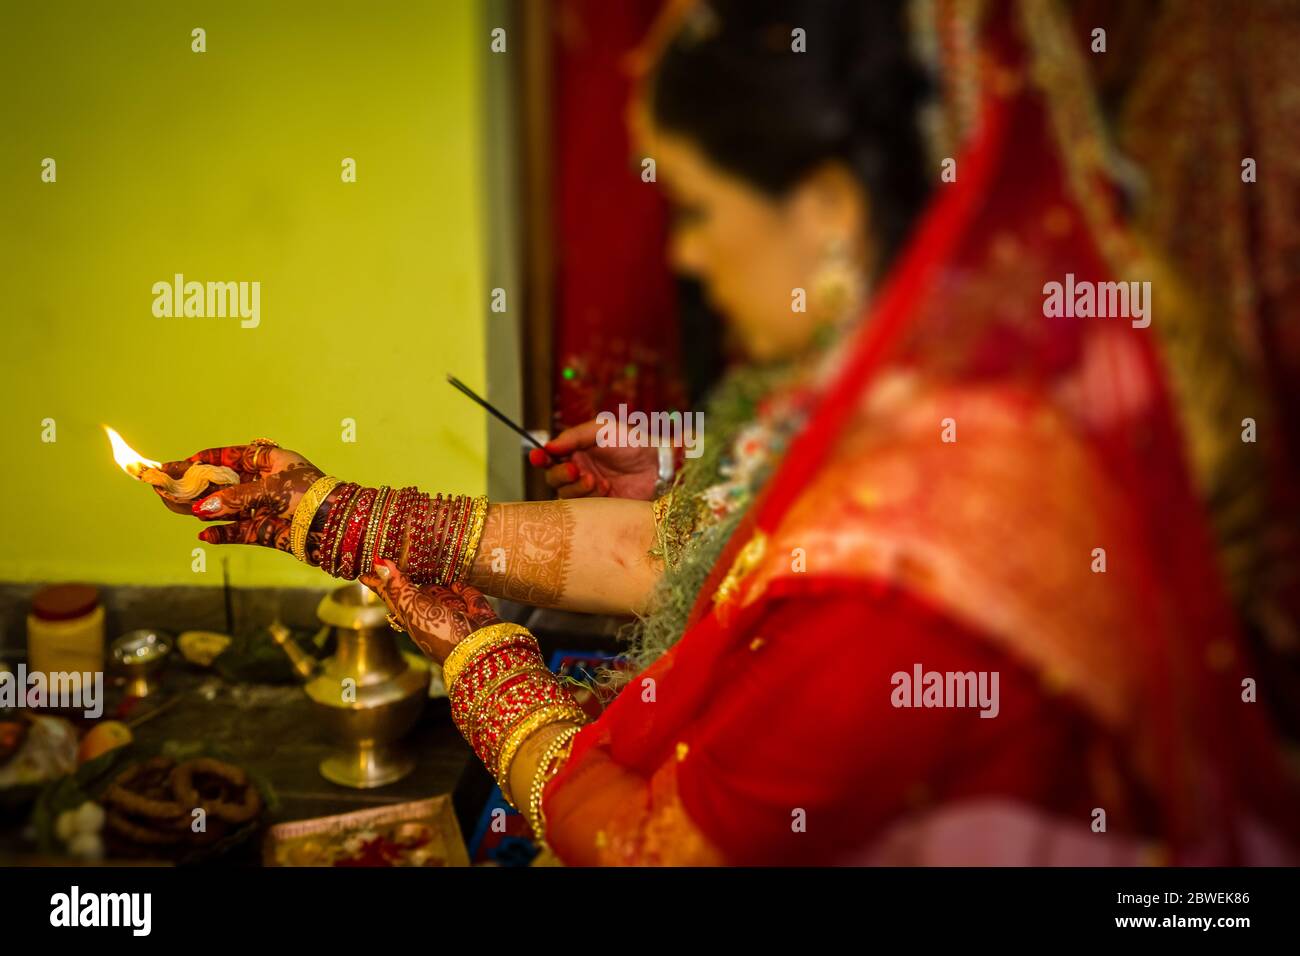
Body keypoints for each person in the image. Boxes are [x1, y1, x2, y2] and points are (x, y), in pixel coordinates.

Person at [154, 0, 1296, 864]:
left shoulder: (901, 585)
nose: (685, 258)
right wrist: (330, 513)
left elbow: (656, 846)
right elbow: (686, 540)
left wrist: (483, 668)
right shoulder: (939, 390)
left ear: (831, 209)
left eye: (697, 209)